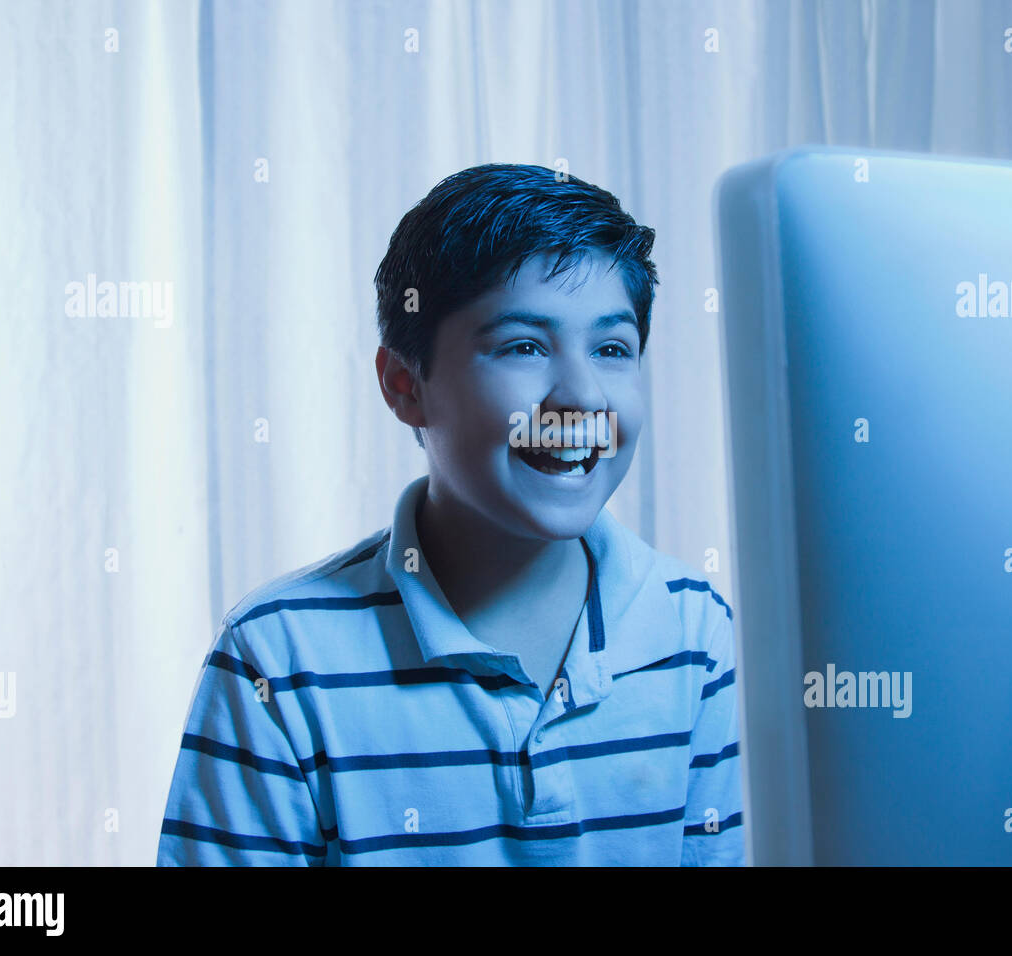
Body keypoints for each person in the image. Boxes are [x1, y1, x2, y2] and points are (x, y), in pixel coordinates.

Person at [156, 164, 744, 865]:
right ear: (406, 386)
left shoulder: (696, 635)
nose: (583, 397)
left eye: (612, 348)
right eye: (523, 346)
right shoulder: (277, 660)